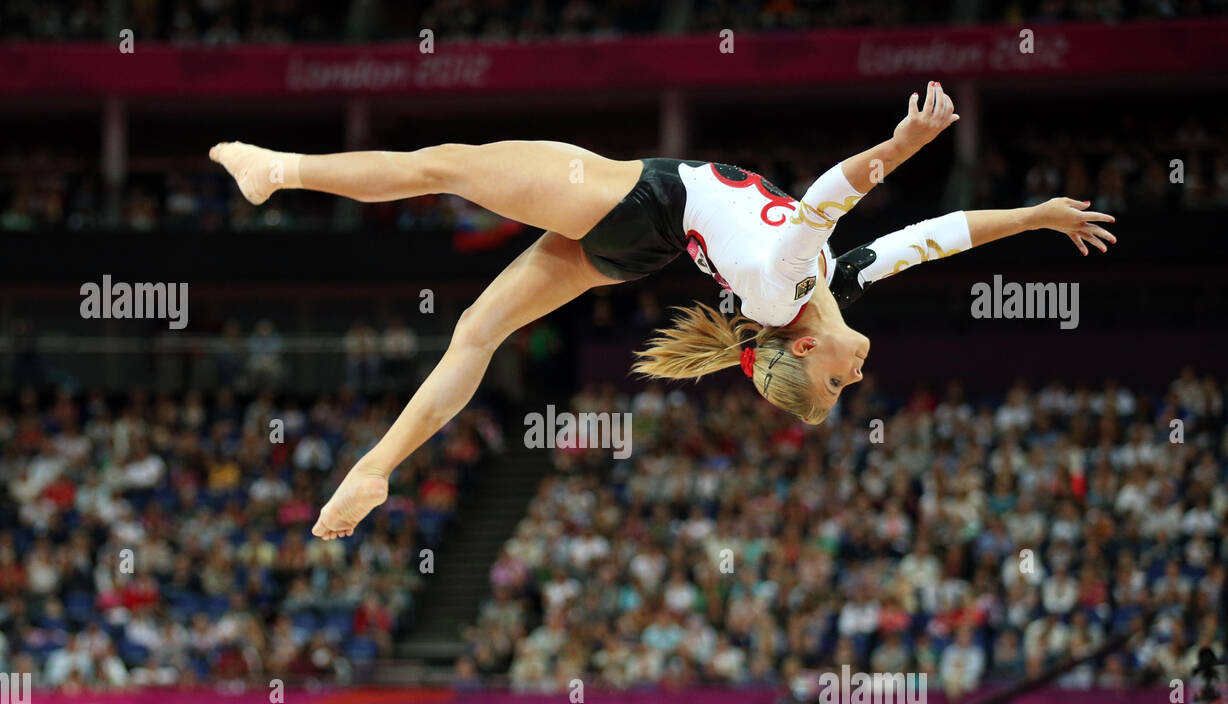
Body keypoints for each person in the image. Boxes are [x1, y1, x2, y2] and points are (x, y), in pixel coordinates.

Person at [210, 82, 1116, 540]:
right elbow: (943, 235)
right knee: (478, 331)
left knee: (443, 164)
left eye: (839, 386)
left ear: (805, 350)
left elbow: (826, 199)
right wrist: (1034, 216)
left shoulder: (790, 287)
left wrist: (905, 141)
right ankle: (376, 466)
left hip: (635, 204)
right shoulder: (839, 281)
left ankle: (277, 170)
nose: (859, 375)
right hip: (635, 245)